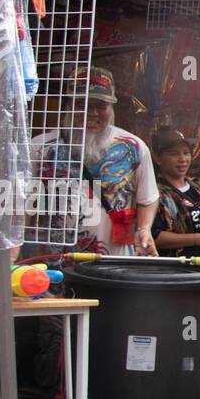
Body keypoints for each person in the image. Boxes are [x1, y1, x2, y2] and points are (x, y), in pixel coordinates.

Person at [78, 67, 159, 257]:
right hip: (52, 266)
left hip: (113, 261)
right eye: (83, 104)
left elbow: (148, 197)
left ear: (111, 107)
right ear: (68, 105)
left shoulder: (134, 148)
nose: (92, 113)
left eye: (100, 105)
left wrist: (144, 229)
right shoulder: (42, 148)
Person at [149, 128, 200, 258]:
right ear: (158, 158)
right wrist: (198, 239)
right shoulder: (154, 193)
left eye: (186, 153)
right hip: (177, 273)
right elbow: (154, 236)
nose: (183, 159)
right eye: (174, 154)